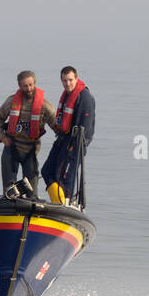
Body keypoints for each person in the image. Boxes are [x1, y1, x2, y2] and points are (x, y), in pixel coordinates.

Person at [0, 70, 57, 199]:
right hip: (11, 149)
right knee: (9, 191)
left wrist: (65, 141)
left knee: (31, 192)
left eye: (30, 85)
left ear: (35, 84)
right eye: (25, 86)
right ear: (19, 86)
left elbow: (57, 127)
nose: (28, 89)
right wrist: (2, 137)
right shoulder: (11, 102)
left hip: (31, 152)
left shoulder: (45, 106)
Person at [42, 67, 95, 204]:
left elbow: (86, 126)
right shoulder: (66, 95)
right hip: (62, 139)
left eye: (70, 80)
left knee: (64, 176)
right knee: (46, 171)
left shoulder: (85, 97)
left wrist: (75, 145)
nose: (68, 83)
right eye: (65, 81)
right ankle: (57, 201)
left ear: (76, 79)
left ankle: (66, 202)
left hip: (75, 144)